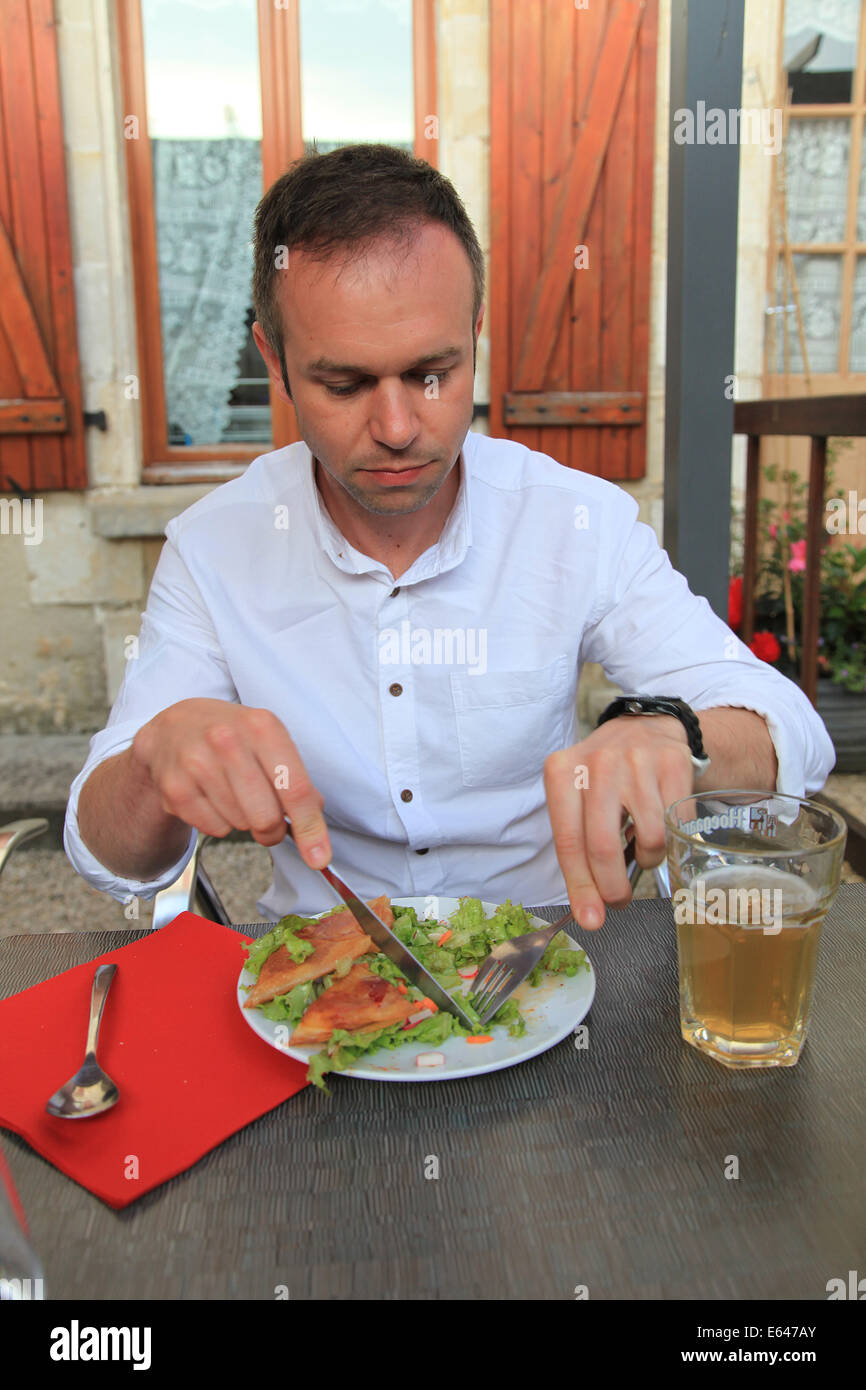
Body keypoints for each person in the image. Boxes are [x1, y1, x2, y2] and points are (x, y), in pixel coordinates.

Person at [65, 144, 834, 929]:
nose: (398, 427)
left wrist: (678, 735)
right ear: (274, 359)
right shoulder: (214, 546)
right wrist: (154, 765)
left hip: (545, 957)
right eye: (344, 384)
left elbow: (794, 732)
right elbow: (110, 858)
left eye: (432, 373)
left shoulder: (572, 519)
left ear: (475, 334)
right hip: (322, 966)